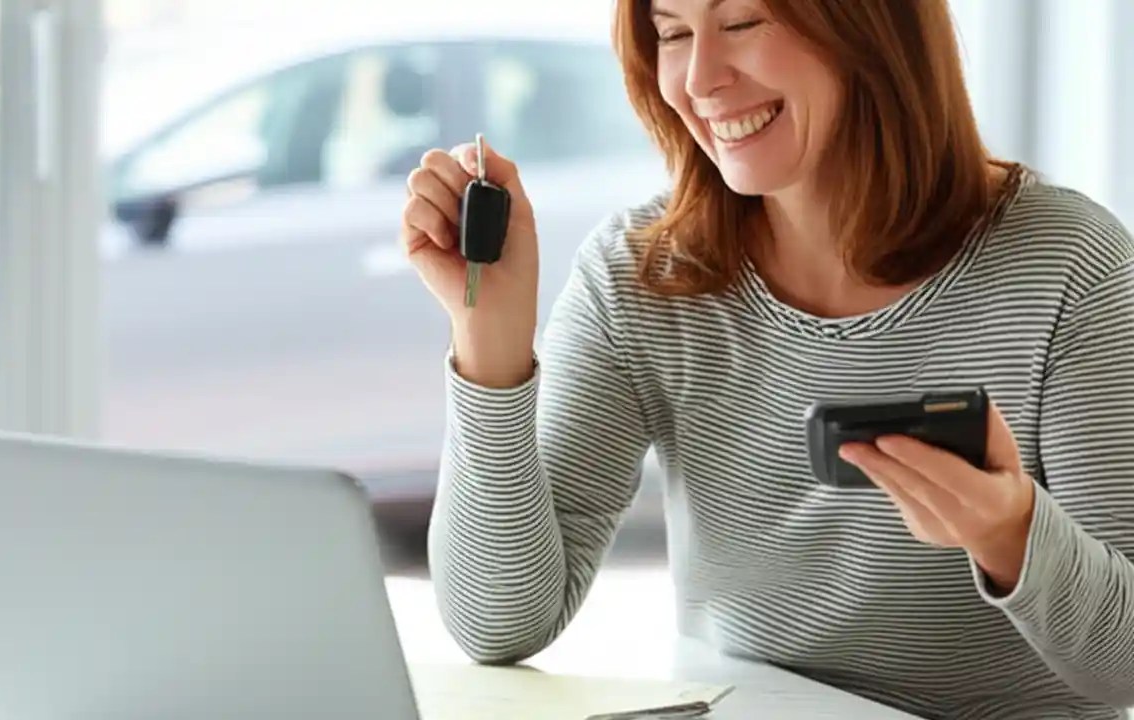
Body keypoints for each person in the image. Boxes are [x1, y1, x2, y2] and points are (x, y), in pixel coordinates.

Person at [398, 1, 1134, 718]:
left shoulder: (1070, 268)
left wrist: (1013, 536)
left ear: (870, 25)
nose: (698, 79)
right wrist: (487, 343)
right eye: (674, 33)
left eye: (741, 23)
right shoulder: (640, 276)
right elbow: (498, 624)